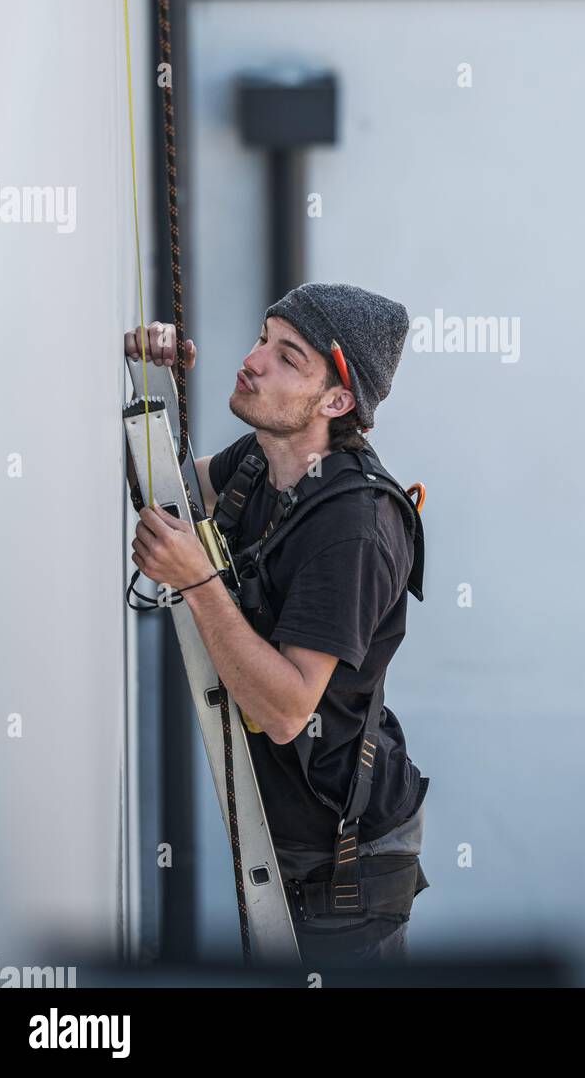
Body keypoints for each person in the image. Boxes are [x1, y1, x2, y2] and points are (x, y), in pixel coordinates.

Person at [125, 282, 429, 974]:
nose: (254, 360)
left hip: (347, 864)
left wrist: (198, 581)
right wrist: (148, 376)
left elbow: (289, 710)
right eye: (263, 338)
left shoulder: (352, 526)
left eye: (288, 356)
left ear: (337, 402)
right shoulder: (265, 459)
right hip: (291, 838)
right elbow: (164, 489)